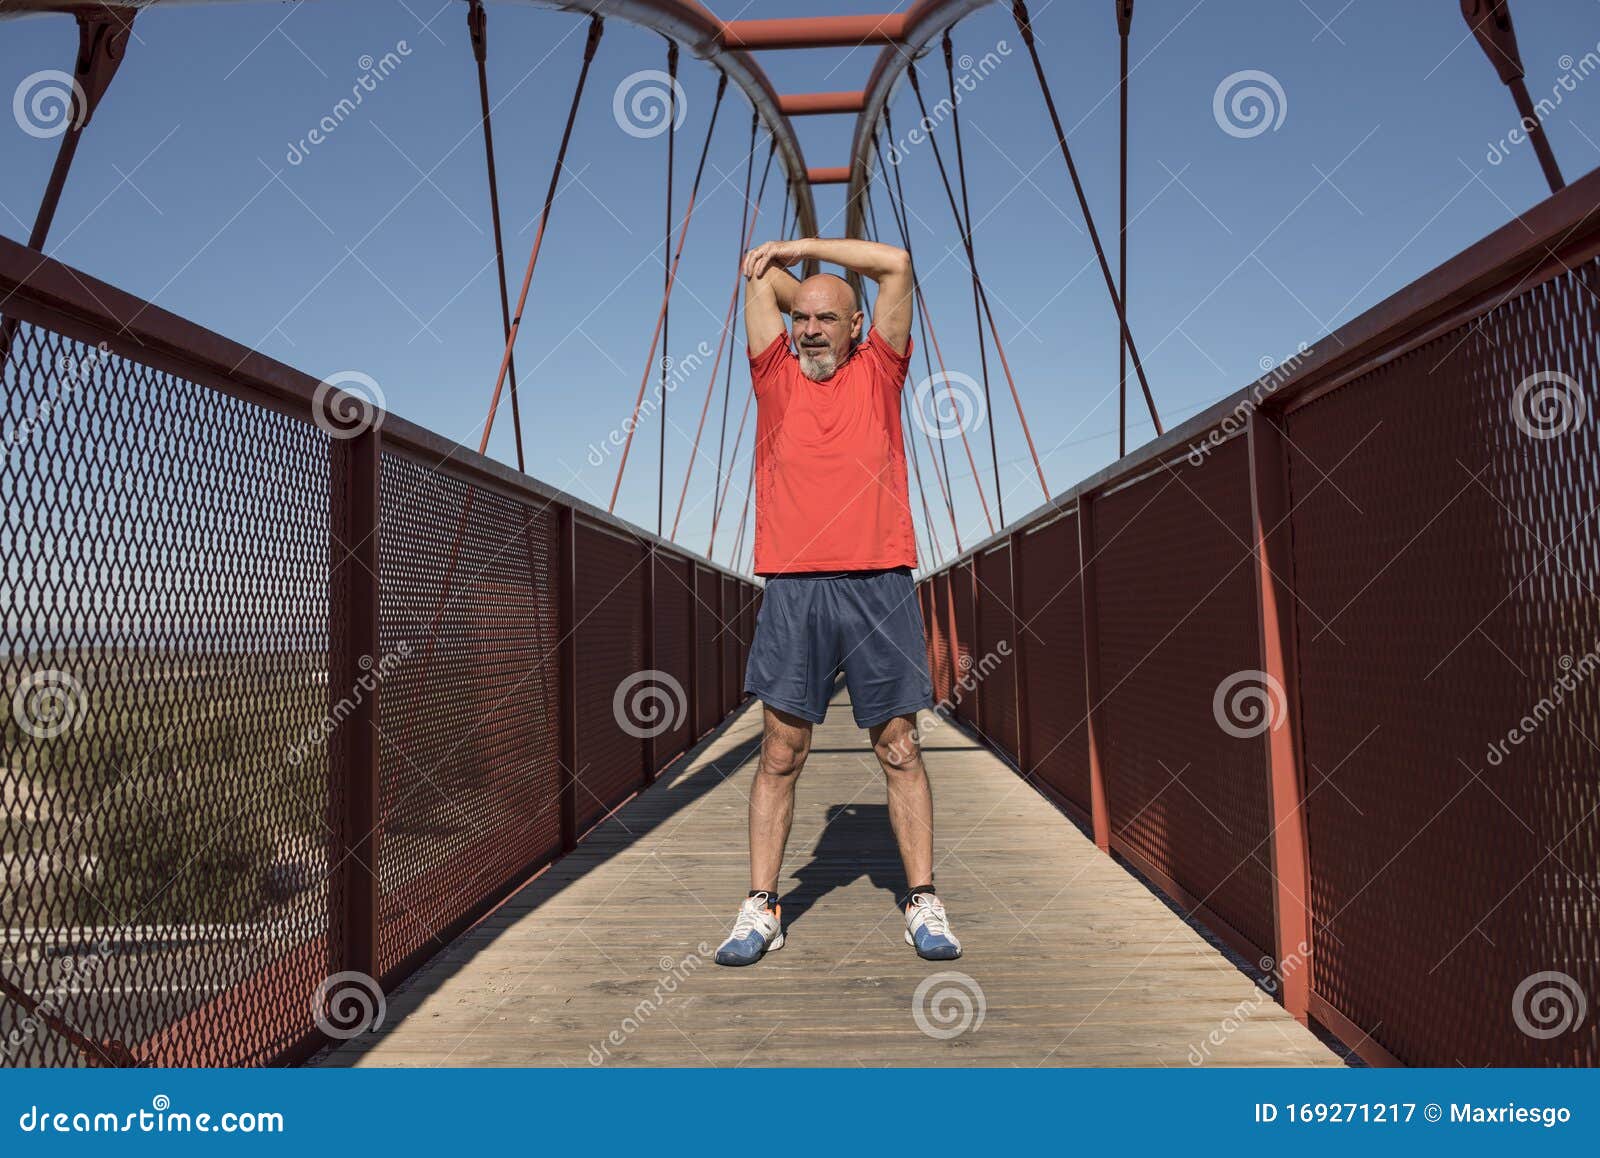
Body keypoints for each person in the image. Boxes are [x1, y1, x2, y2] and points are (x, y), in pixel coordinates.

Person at [713, 236, 960, 967]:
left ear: (860, 327)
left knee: (899, 747)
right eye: (803, 317)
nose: (811, 329)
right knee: (780, 751)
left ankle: (922, 900)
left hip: (879, 580)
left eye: (828, 318)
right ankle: (762, 907)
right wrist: (791, 280)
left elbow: (896, 266)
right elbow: (753, 273)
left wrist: (804, 250)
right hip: (795, 584)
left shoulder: (882, 368)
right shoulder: (774, 375)